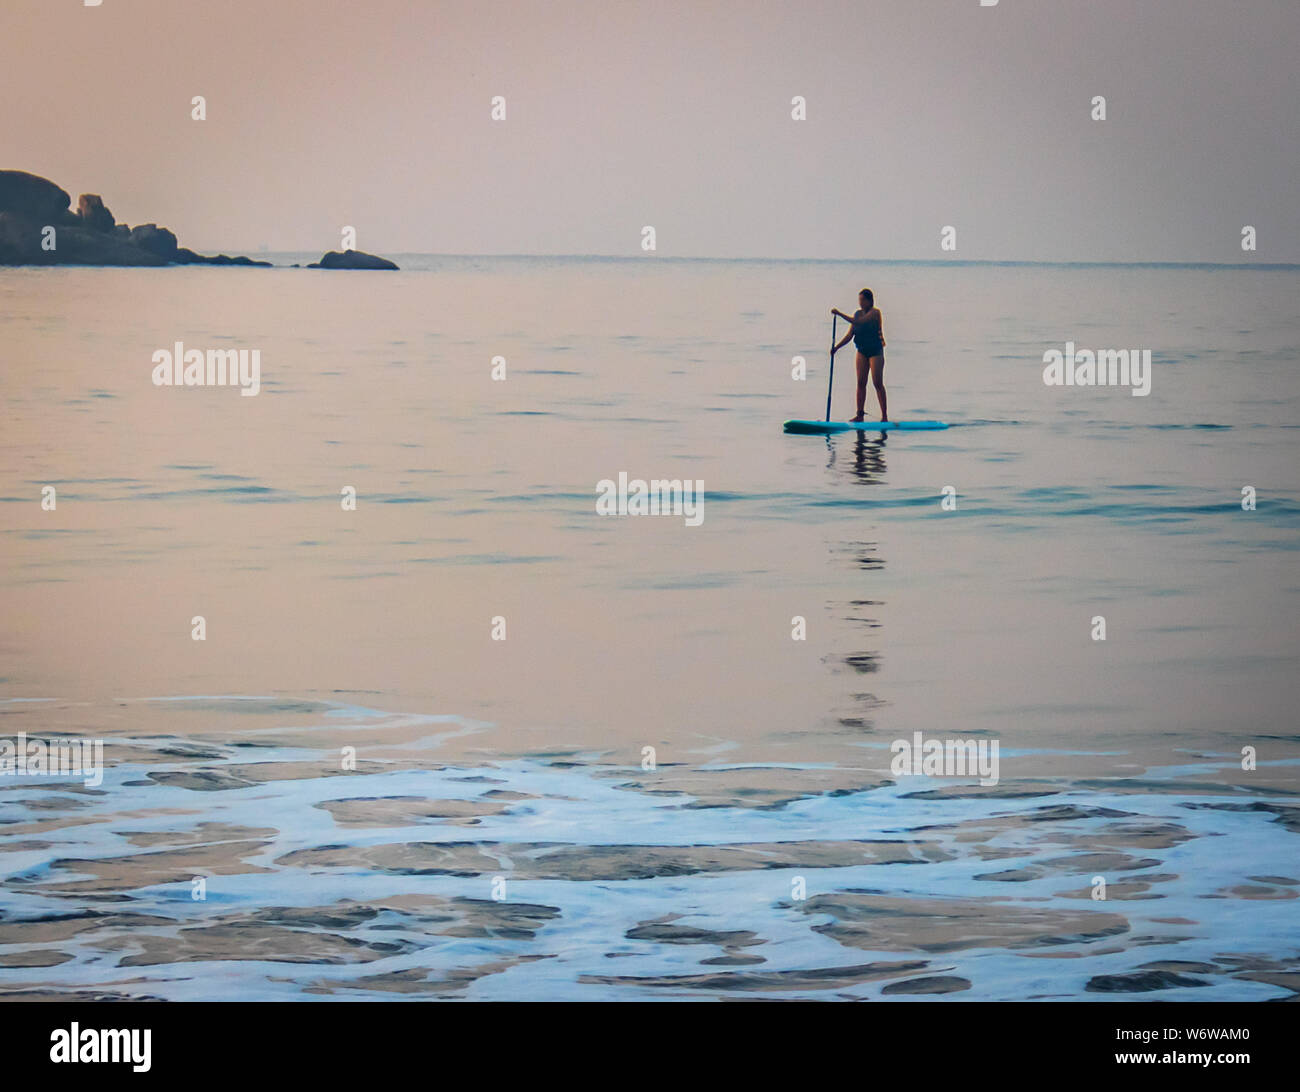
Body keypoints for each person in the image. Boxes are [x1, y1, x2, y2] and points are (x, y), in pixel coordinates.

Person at [832, 289, 887, 422]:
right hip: (862, 351)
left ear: (870, 300)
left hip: (876, 352)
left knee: (877, 383)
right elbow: (850, 335)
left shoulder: (875, 313)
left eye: (863, 300)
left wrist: (839, 314)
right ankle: (860, 415)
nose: (861, 302)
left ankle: (884, 416)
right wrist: (836, 348)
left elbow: (859, 322)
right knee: (861, 383)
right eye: (859, 300)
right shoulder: (857, 313)